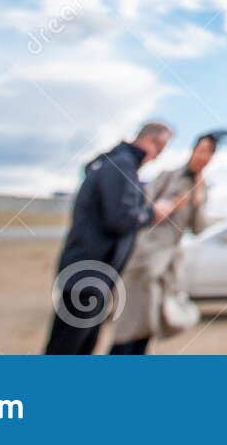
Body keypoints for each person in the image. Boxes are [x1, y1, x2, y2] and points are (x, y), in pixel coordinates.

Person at [44, 121, 194, 355]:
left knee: (83, 343)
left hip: (96, 273)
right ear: (150, 141)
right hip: (88, 271)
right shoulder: (121, 165)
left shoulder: (121, 164)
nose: (158, 155)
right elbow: (120, 219)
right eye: (161, 147)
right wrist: (153, 213)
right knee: (68, 346)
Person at [108, 129, 227, 355]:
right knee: (128, 326)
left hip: (166, 265)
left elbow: (197, 228)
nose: (204, 156)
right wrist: (164, 207)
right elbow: (141, 206)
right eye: (202, 150)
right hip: (144, 259)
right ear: (193, 150)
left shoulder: (202, 189)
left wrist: (197, 203)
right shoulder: (168, 176)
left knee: (148, 325)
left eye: (210, 153)